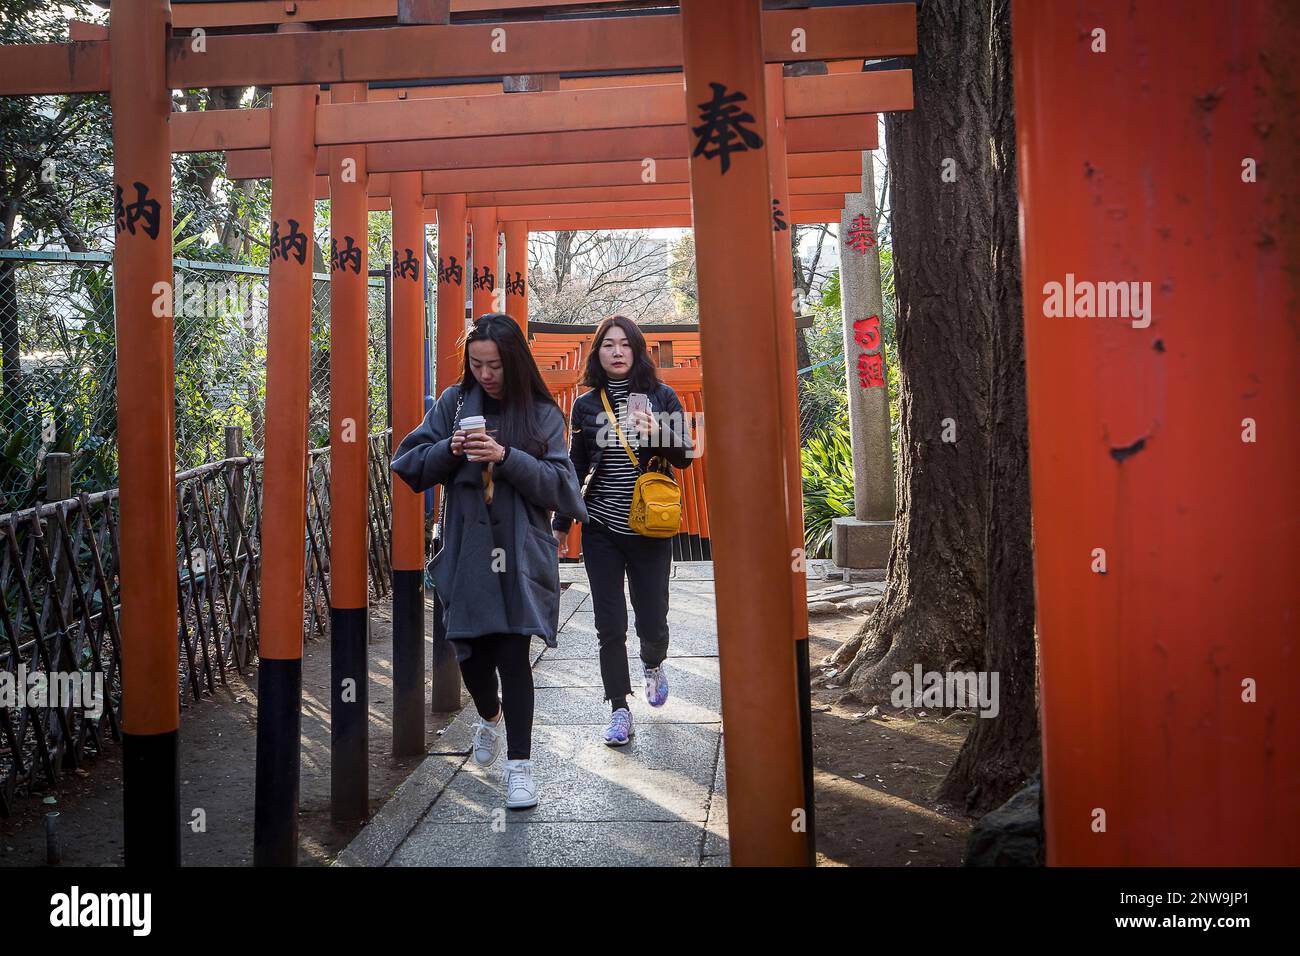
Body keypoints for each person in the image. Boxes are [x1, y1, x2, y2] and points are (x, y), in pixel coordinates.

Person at [391, 313, 587, 809]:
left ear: (514, 361)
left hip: (520, 549)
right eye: (476, 364)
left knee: (513, 655)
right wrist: (450, 449)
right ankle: (488, 715)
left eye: (495, 365)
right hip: (467, 550)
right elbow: (407, 463)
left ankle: (519, 769)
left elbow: (564, 488)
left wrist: (505, 455)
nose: (485, 374)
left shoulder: (541, 412)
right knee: (471, 655)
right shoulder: (453, 404)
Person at [551, 315, 695, 747]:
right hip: (601, 529)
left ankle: (653, 662)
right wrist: (562, 523)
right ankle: (618, 706)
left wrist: (661, 432)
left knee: (652, 617)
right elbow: (575, 463)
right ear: (598, 354)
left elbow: (686, 456)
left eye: (624, 345)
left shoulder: (662, 396)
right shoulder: (587, 405)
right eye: (608, 345)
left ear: (637, 351)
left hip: (650, 529)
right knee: (608, 623)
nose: (616, 352)